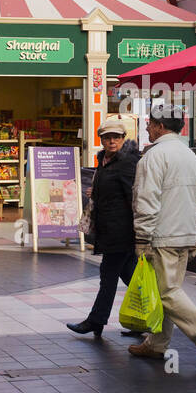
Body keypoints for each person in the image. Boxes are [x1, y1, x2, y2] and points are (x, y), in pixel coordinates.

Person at [127, 106, 196, 367]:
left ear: (160, 126)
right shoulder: (188, 155)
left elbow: (146, 200)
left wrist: (142, 237)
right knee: (168, 290)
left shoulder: (153, 156)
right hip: (184, 233)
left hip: (162, 235)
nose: (147, 128)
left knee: (167, 291)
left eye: (150, 123)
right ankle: (157, 345)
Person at [67, 117, 139, 338]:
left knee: (108, 275)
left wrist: (139, 229)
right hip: (109, 227)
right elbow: (109, 189)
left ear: (123, 138)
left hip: (121, 229)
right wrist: (96, 191)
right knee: (131, 277)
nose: (111, 141)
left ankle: (96, 321)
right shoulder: (104, 160)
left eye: (116, 137)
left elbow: (132, 196)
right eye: (107, 138)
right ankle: (149, 320)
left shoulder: (126, 162)